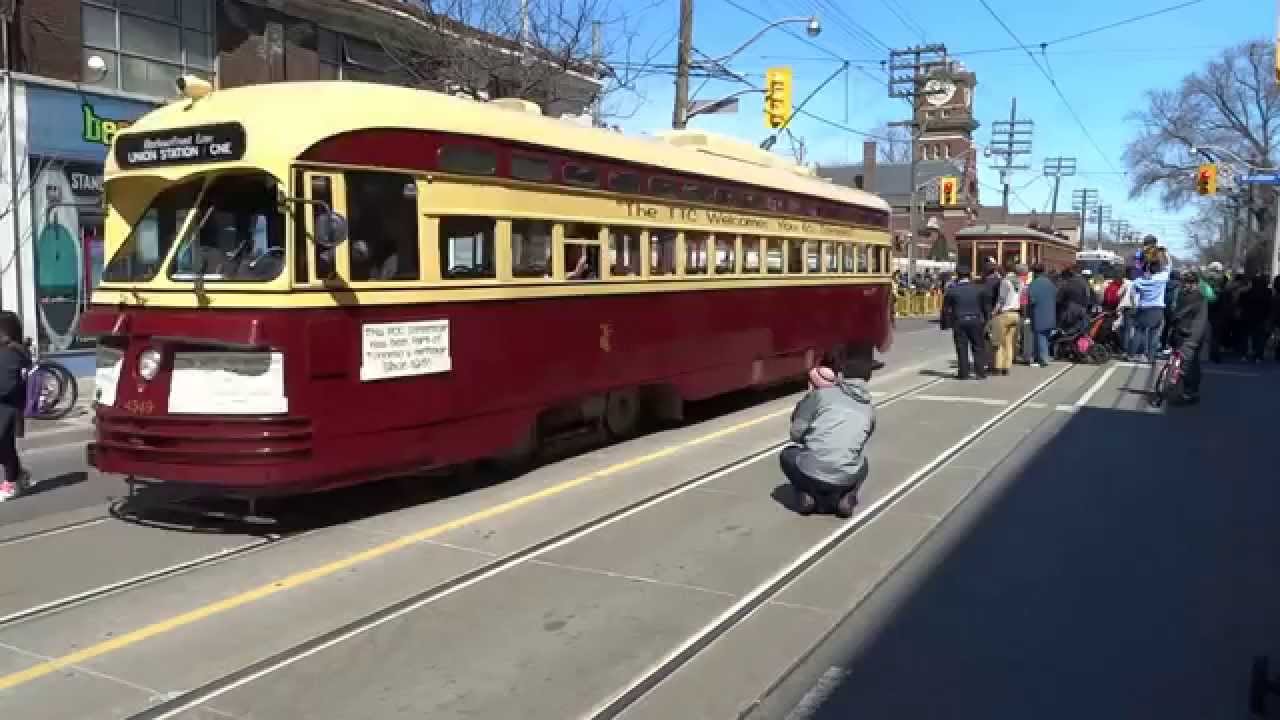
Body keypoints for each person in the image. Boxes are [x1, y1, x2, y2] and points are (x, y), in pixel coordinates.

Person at [781, 363, 875, 519]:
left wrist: (813, 434)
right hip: (845, 477)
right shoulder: (869, 408)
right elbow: (863, 439)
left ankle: (806, 495)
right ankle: (847, 496)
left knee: (787, 455)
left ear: (812, 384)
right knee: (862, 463)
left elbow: (795, 435)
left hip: (812, 472)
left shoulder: (817, 396)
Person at [0, 312, 31, 501]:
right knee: (5, 447)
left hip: (7, 409)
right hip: (6, 407)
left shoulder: (11, 352)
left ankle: (11, 482)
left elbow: (6, 385)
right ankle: (18, 475)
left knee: (5, 446)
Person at [940, 265, 991, 380]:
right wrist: (987, 321)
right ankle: (980, 373)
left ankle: (963, 373)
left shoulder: (952, 290)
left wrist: (945, 324)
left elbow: (945, 309)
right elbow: (986, 307)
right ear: (970, 275)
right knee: (978, 346)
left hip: (959, 321)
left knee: (961, 347)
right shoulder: (979, 289)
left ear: (957, 276)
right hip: (976, 320)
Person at [1168, 270, 1210, 403]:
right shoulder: (1196, 296)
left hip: (1190, 335)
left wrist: (1173, 317)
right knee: (1193, 363)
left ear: (1195, 284)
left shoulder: (1194, 297)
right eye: (1185, 282)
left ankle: (1189, 394)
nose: (1186, 285)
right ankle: (1192, 391)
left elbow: (1178, 313)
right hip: (1193, 333)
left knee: (1188, 364)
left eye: (1189, 283)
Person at [1127, 261, 1169, 363]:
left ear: (1147, 270)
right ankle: (1150, 357)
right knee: (1154, 334)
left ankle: (1132, 355)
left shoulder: (1139, 281)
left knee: (1139, 332)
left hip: (1144, 309)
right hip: (1158, 309)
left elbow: (1132, 294)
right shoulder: (1162, 278)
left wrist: (1133, 306)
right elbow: (1167, 266)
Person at [989, 264, 1021, 376]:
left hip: (1005, 314)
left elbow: (1001, 299)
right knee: (1009, 342)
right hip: (1016, 314)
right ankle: (1006, 367)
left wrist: (994, 311)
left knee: (999, 342)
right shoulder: (1019, 281)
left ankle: (998, 367)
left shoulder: (1005, 282)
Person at [1027, 262, 1057, 368]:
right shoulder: (1050, 283)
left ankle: (1043, 359)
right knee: (1045, 337)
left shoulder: (1033, 284)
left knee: (1040, 337)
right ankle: (1039, 357)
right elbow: (1056, 296)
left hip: (1039, 314)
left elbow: (1031, 300)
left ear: (1034, 272)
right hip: (1050, 314)